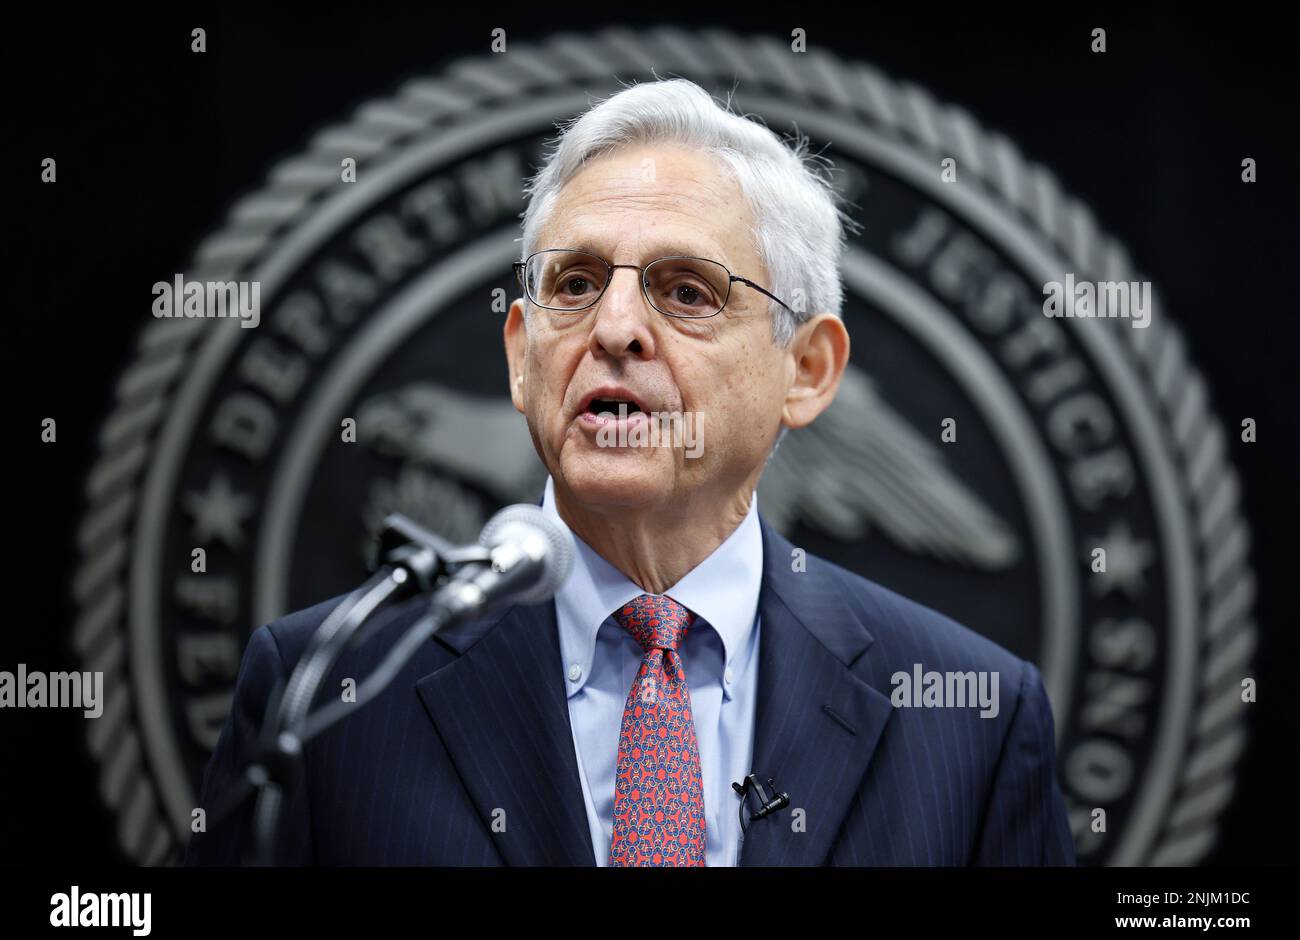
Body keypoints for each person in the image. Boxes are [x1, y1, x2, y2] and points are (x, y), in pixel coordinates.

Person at [187, 78, 1075, 866]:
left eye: (686, 290)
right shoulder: (326, 693)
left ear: (805, 371)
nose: (613, 328)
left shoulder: (973, 720)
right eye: (573, 284)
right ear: (521, 358)